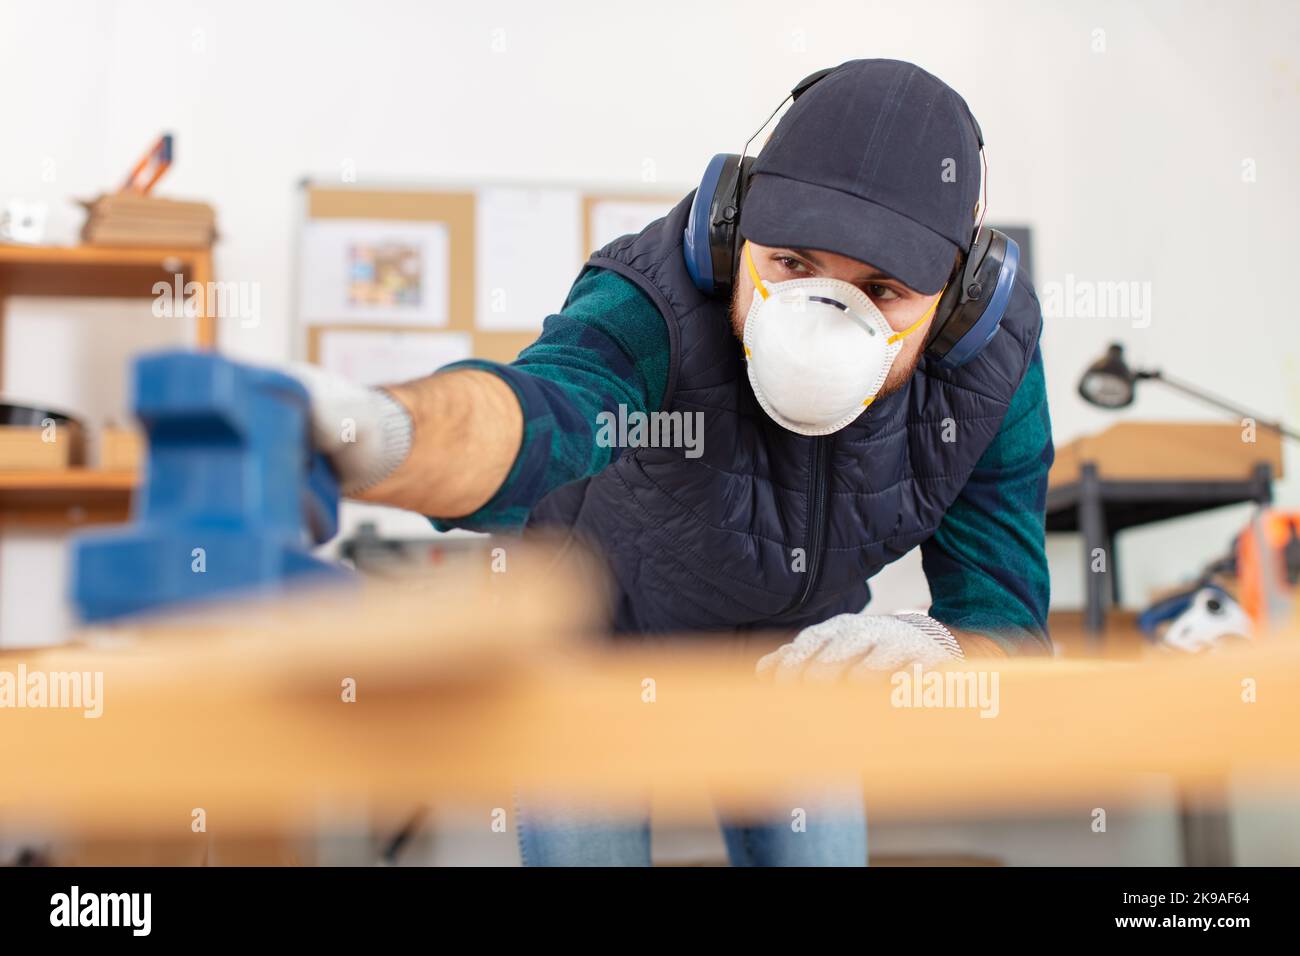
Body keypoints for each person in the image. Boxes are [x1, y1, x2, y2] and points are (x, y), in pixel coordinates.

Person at [295, 58, 1053, 866]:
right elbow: (542, 412)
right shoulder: (654, 296)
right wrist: (383, 431)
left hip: (792, 653)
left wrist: (940, 649)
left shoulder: (992, 363)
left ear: (963, 297)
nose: (824, 321)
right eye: (792, 264)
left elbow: (1003, 612)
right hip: (588, 642)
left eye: (885, 289)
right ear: (731, 225)